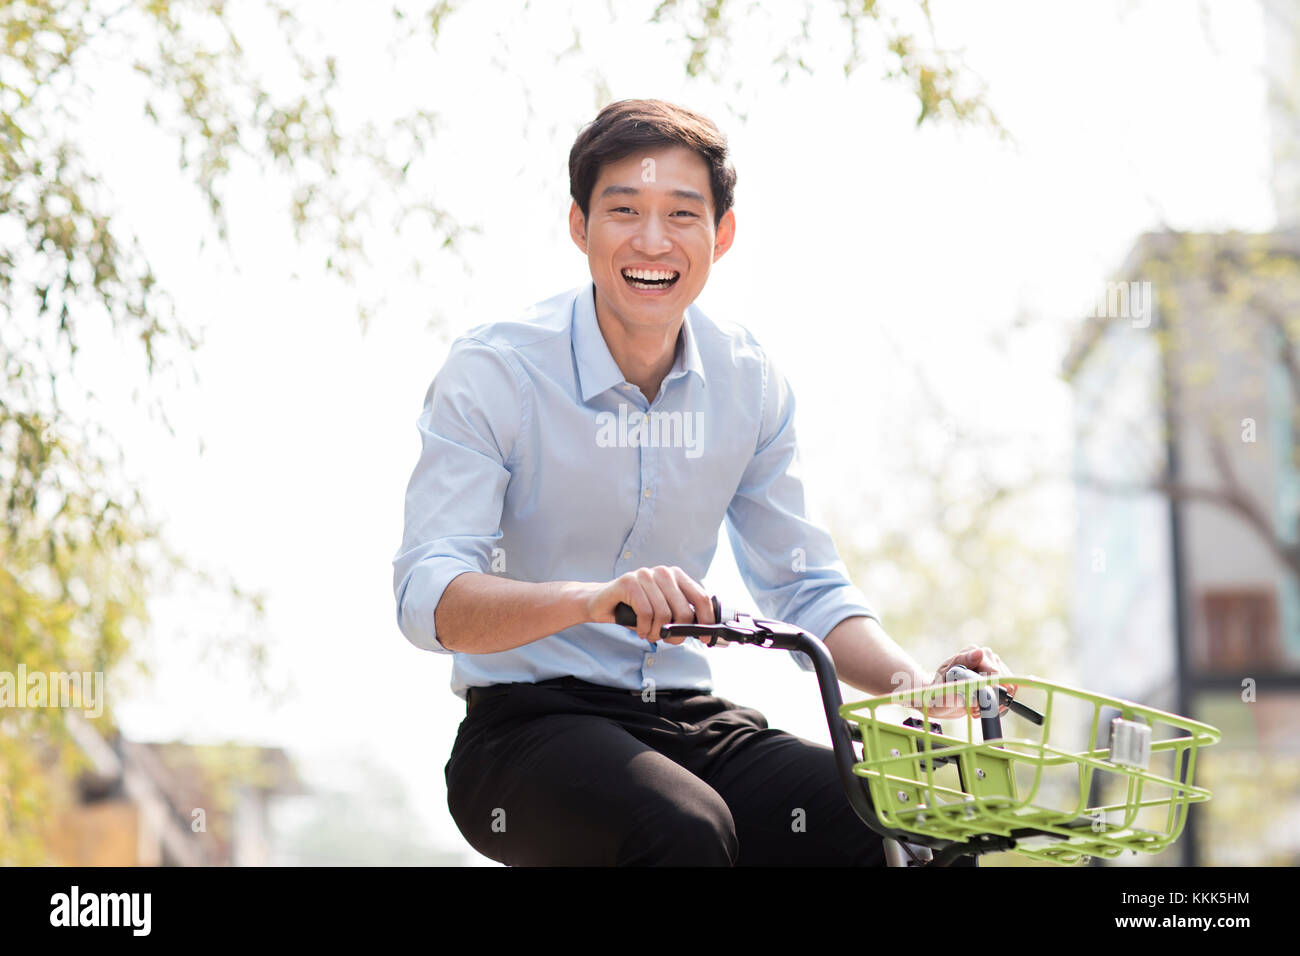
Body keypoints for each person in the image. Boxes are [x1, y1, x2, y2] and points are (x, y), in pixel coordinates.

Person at [392, 98, 1014, 866]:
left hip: (689, 720)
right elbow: (431, 599)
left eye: (681, 214)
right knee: (682, 830)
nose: (652, 240)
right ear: (580, 227)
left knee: (880, 819)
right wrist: (590, 599)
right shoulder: (495, 372)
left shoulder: (747, 383)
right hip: (521, 734)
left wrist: (914, 683)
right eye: (623, 210)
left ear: (721, 235)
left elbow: (806, 587)